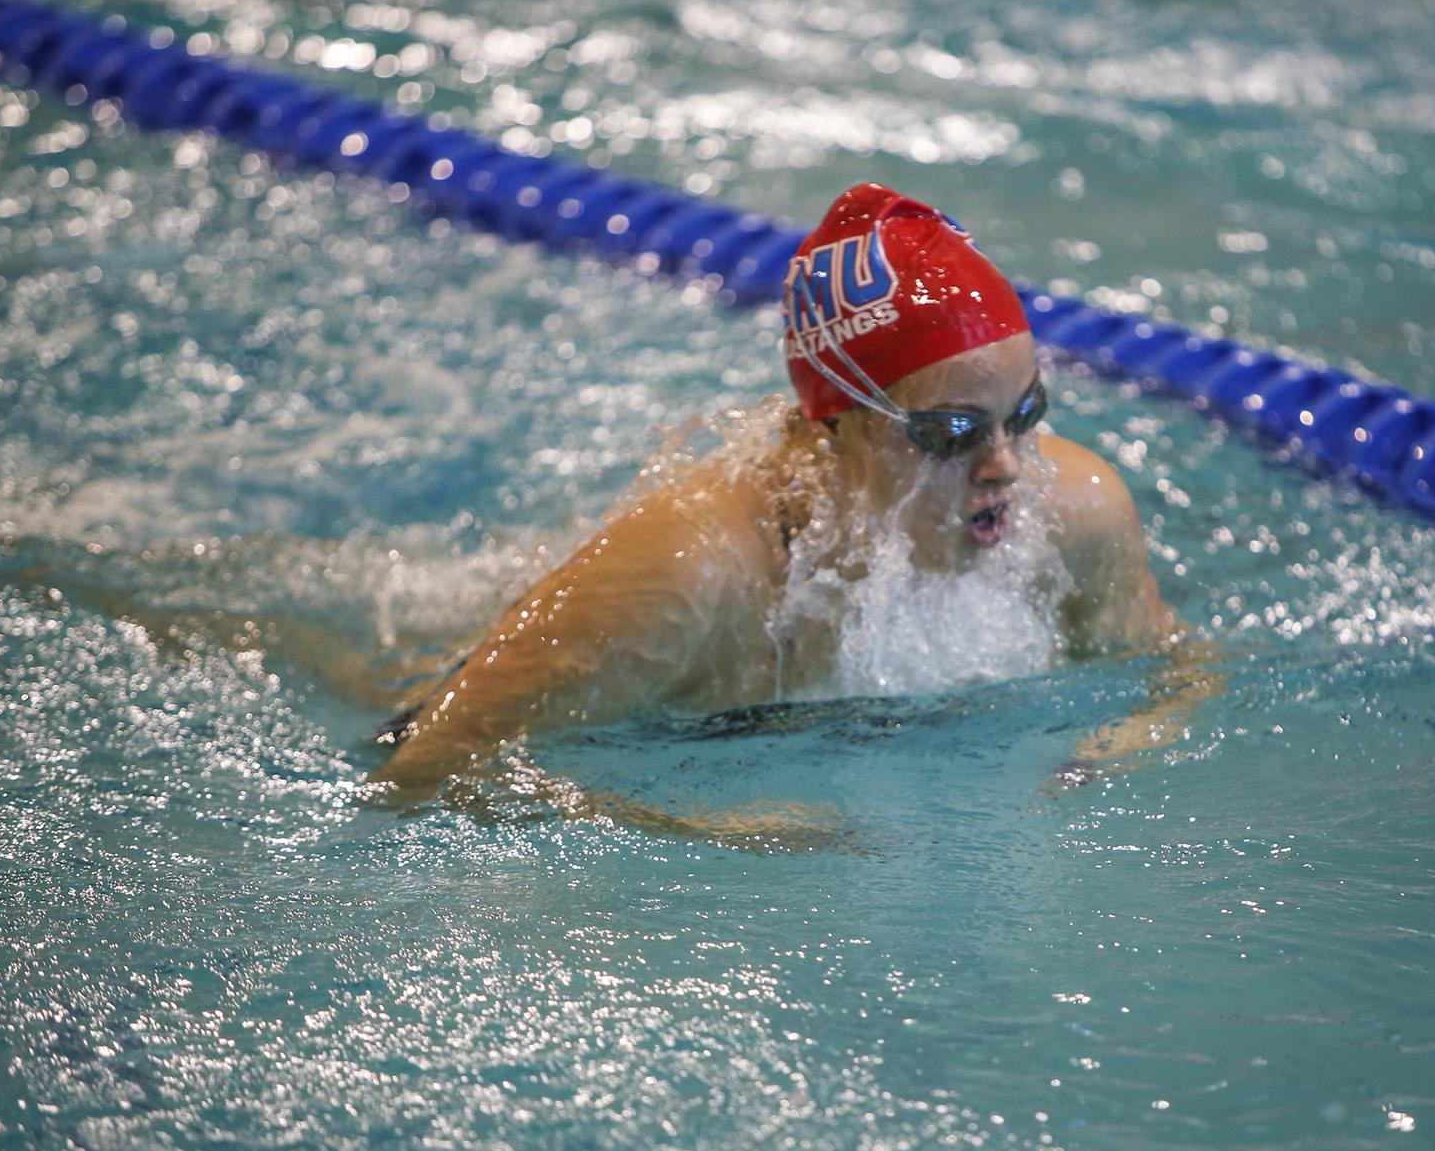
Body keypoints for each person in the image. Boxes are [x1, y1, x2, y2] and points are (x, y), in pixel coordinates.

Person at [372, 183, 1191, 808]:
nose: (1005, 466)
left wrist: (1105, 753)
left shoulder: (1077, 512)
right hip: (416, 662)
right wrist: (700, 829)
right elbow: (420, 773)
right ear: (832, 428)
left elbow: (1175, 672)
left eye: (1026, 414)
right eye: (950, 432)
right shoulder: (691, 575)